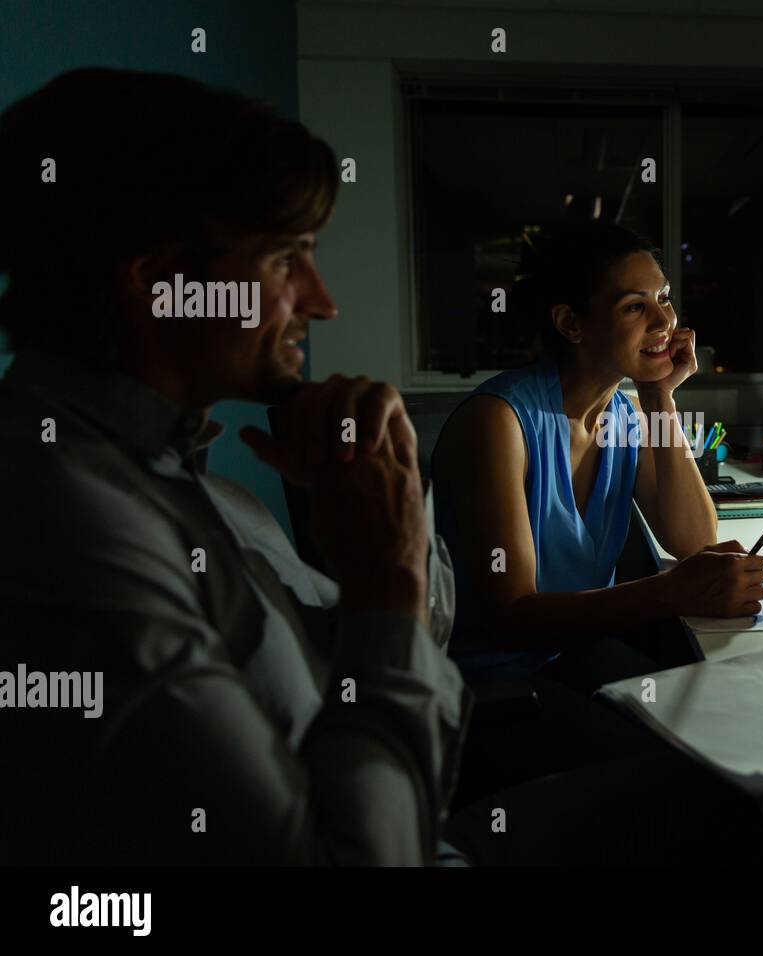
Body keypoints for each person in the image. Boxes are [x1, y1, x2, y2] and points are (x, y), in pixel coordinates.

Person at [0, 68, 468, 865]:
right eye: (288, 259)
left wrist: (382, 519)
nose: (322, 302)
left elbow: (418, 638)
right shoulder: (66, 522)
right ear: (157, 283)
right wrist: (387, 578)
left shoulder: (201, 486)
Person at [432, 221, 763, 691]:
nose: (664, 322)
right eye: (635, 306)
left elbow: (693, 538)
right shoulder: (498, 422)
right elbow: (510, 620)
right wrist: (667, 593)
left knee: (732, 697)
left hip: (573, 656)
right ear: (571, 323)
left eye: (664, 298)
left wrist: (659, 397)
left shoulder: (625, 416)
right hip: (494, 685)